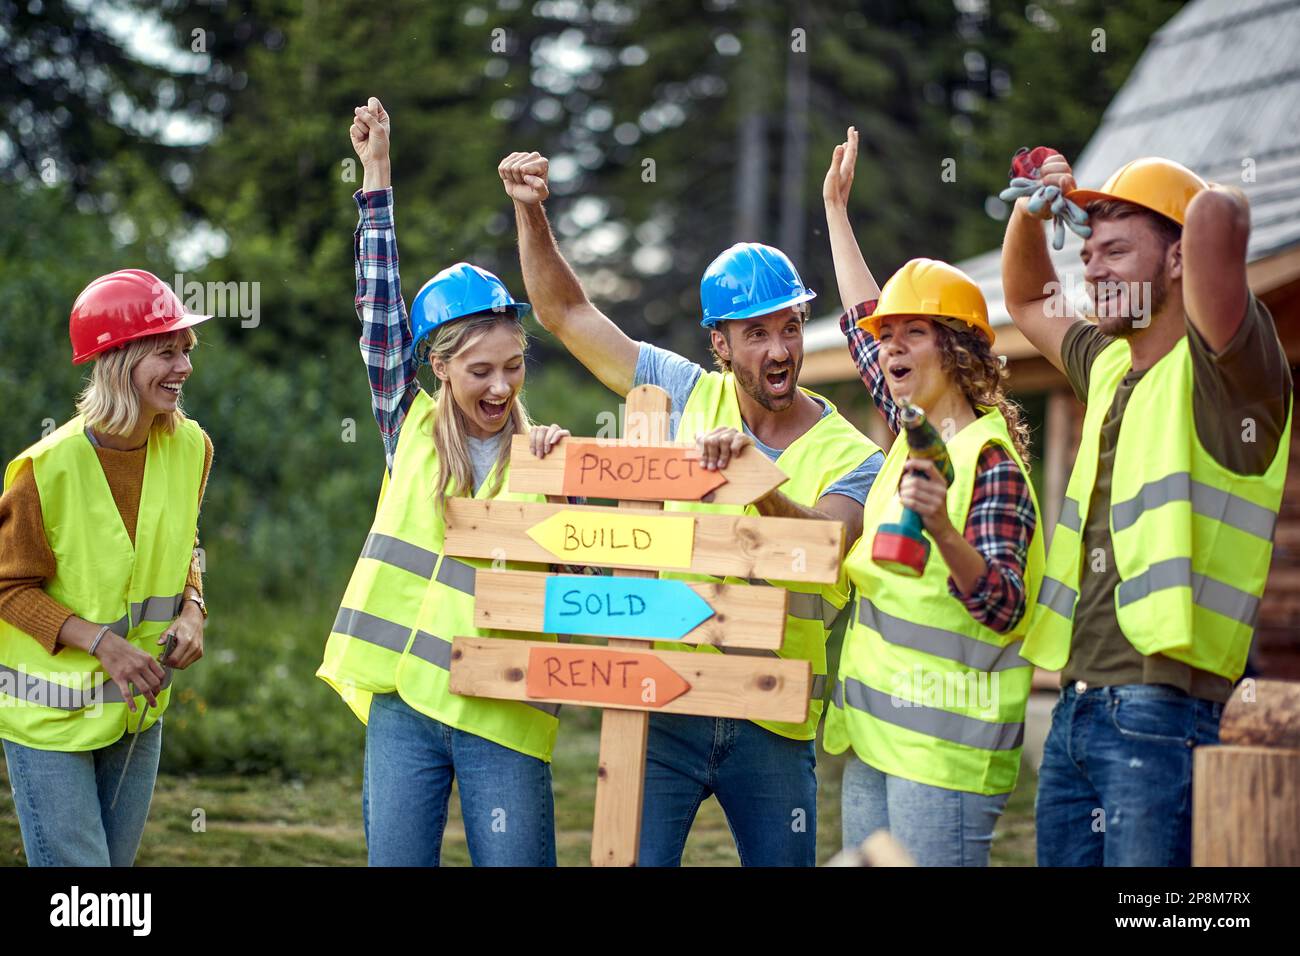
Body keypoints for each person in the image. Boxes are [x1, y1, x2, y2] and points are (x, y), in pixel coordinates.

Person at [499, 148, 883, 867]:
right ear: (720, 343)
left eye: (791, 327)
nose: (780, 349)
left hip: (773, 718)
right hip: (662, 706)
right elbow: (566, 312)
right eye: (757, 332)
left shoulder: (856, 456)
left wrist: (753, 479)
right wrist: (531, 210)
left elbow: (822, 549)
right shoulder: (682, 393)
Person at [1001, 150, 1293, 866]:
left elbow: (1219, 219)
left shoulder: (1228, 371)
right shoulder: (1105, 364)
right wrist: (1029, 208)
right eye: (1088, 252)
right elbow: (1031, 300)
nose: (1092, 269)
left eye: (1117, 251)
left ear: (1175, 262)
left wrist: (1176, 192)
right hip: (1074, 706)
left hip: (1166, 707)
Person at [316, 97, 573, 867]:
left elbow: (582, 571)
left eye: (514, 366)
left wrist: (567, 483)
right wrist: (376, 176)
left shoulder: (546, 453)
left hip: (505, 709)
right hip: (405, 707)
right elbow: (377, 309)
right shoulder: (410, 427)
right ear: (438, 366)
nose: (500, 387)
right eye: (479, 371)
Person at [821, 128, 1045, 866]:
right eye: (890, 338)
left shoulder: (990, 463)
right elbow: (861, 327)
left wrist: (943, 530)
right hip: (876, 739)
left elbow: (1004, 603)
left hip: (945, 755)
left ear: (958, 348)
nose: (890, 349)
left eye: (912, 333)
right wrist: (836, 210)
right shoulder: (910, 427)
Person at [0, 269, 212, 866]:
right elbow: (8, 587)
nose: (184, 368)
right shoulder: (45, 468)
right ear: (118, 360)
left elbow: (184, 543)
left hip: (136, 712)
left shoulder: (192, 446)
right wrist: (101, 644)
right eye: (165, 352)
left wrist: (194, 608)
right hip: (49, 717)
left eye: (186, 351)